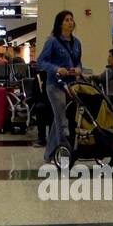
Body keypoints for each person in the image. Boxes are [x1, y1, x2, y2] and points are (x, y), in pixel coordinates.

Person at [37, 11, 82, 163]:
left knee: (59, 119)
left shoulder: (76, 43)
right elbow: (41, 61)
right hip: (55, 85)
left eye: (71, 19)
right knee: (62, 120)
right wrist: (57, 69)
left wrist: (78, 69)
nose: (70, 22)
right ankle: (63, 153)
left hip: (70, 86)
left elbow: (78, 62)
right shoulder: (52, 41)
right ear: (60, 23)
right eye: (67, 20)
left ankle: (49, 154)